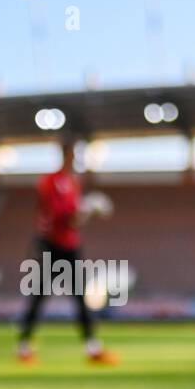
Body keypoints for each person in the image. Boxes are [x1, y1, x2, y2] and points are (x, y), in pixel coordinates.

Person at [16, 139, 117, 365]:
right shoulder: (50, 181)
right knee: (39, 297)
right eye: (72, 153)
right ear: (64, 154)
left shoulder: (72, 182)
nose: (75, 158)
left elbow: (74, 221)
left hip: (70, 245)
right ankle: (23, 347)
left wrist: (87, 212)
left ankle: (92, 348)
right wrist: (88, 208)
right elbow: (62, 216)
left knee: (79, 297)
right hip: (50, 245)